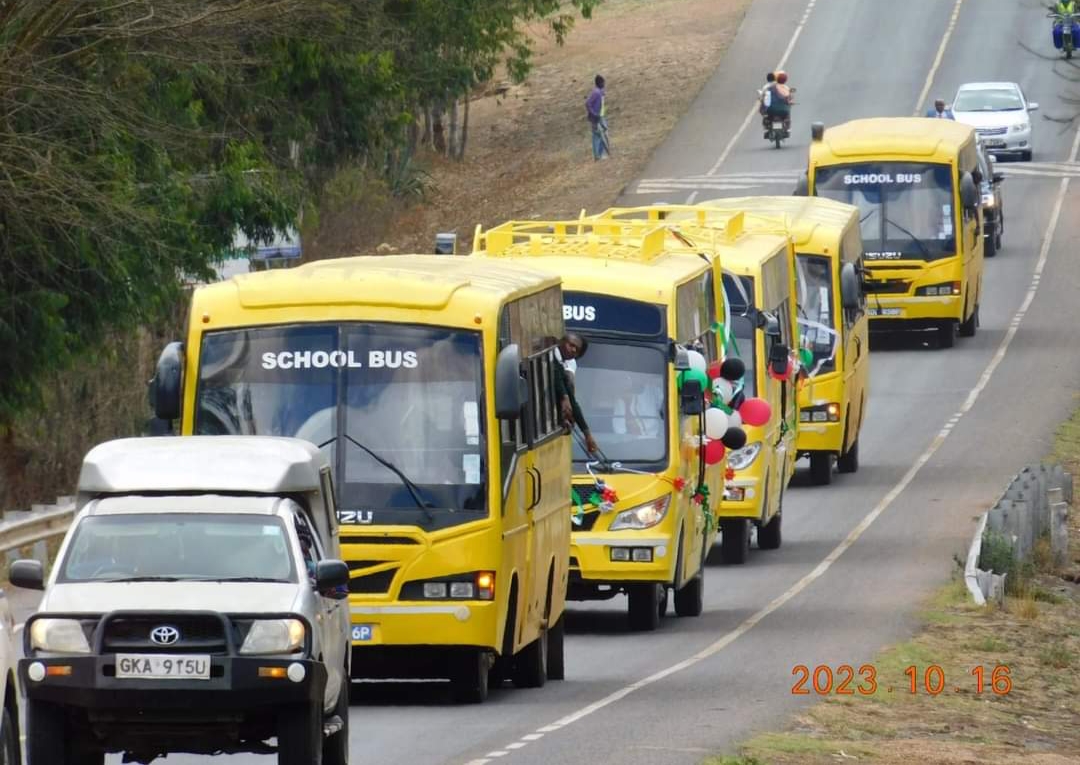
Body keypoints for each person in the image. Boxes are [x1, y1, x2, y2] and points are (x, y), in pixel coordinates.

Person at [552, 333, 599, 454]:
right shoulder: (551, 357)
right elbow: (555, 375)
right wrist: (564, 396)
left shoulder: (562, 365)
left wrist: (587, 434)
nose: (573, 350)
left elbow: (572, 403)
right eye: (571, 345)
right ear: (561, 342)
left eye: (577, 350)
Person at [585, 75, 609, 161]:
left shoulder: (600, 91)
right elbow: (587, 103)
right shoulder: (596, 92)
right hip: (596, 117)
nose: (604, 84)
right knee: (597, 136)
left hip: (601, 116)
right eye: (603, 83)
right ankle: (597, 156)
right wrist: (594, 113)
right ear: (599, 83)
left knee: (604, 133)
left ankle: (601, 154)